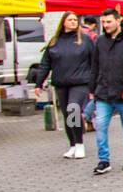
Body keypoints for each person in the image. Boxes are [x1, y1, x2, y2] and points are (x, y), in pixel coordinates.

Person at [33, 11, 95, 159]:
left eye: (75, 20)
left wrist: (95, 83)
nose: (73, 22)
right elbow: (45, 64)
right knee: (67, 115)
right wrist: (38, 83)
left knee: (73, 109)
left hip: (80, 82)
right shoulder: (55, 41)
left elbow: (94, 62)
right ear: (63, 23)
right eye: (70, 20)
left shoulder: (85, 40)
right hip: (61, 83)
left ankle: (79, 144)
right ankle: (72, 145)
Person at [89, 8, 123, 175]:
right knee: (100, 126)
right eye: (103, 22)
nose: (106, 25)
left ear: (118, 21)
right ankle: (104, 160)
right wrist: (92, 89)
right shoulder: (100, 41)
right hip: (103, 92)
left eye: (109, 22)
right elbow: (95, 66)